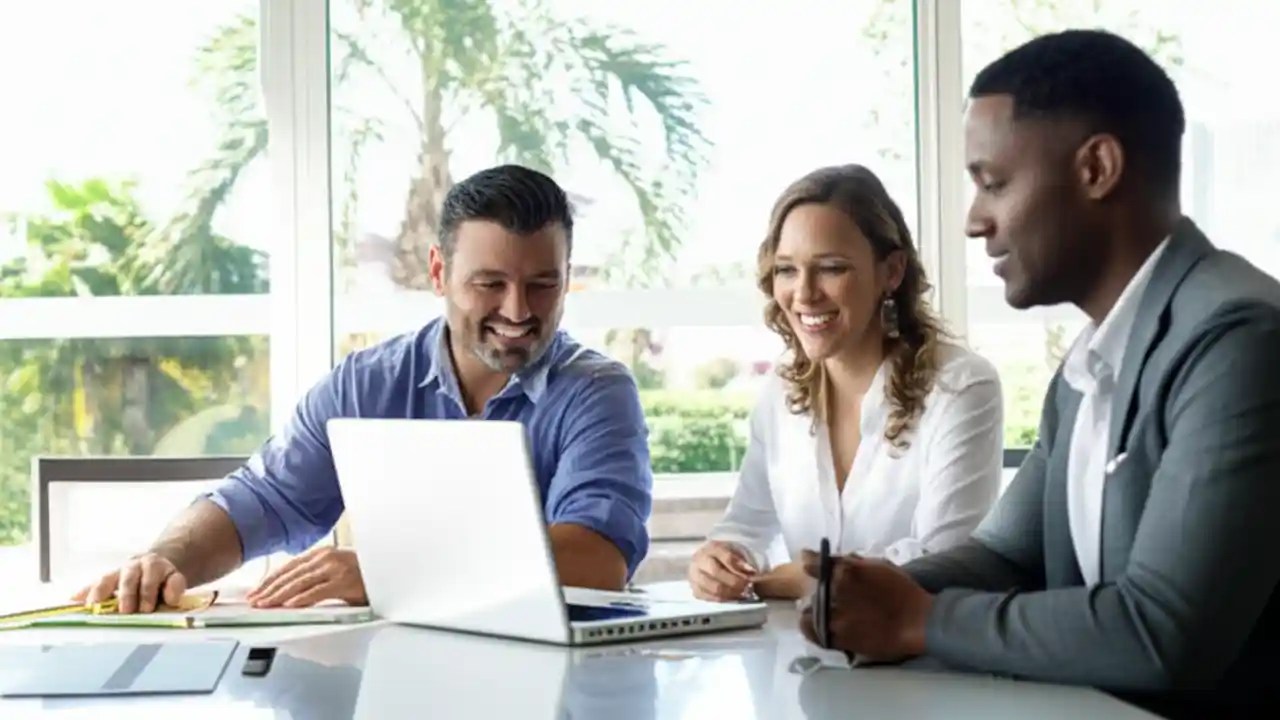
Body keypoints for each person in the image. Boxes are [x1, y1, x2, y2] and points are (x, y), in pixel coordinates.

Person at [796, 30, 1280, 716]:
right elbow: (1006, 557)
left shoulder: (1238, 338)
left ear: (1096, 168)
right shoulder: (1092, 362)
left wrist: (917, 620)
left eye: (993, 183)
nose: (974, 221)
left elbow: (1163, 632)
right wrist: (865, 591)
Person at [76, 164, 654, 613]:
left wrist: (388, 569)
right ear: (438, 274)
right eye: (489, 283)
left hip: (553, 677)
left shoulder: (596, 392)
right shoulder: (368, 383)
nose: (517, 309)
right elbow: (263, 498)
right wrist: (164, 560)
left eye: (542, 284)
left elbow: (599, 557)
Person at [688, 164, 1004, 602]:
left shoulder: (961, 388)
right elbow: (747, 526)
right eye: (786, 270)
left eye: (831, 268)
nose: (804, 293)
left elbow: (945, 559)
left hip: (921, 661)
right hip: (803, 659)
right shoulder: (780, 394)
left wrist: (804, 578)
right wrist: (720, 559)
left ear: (891, 272)